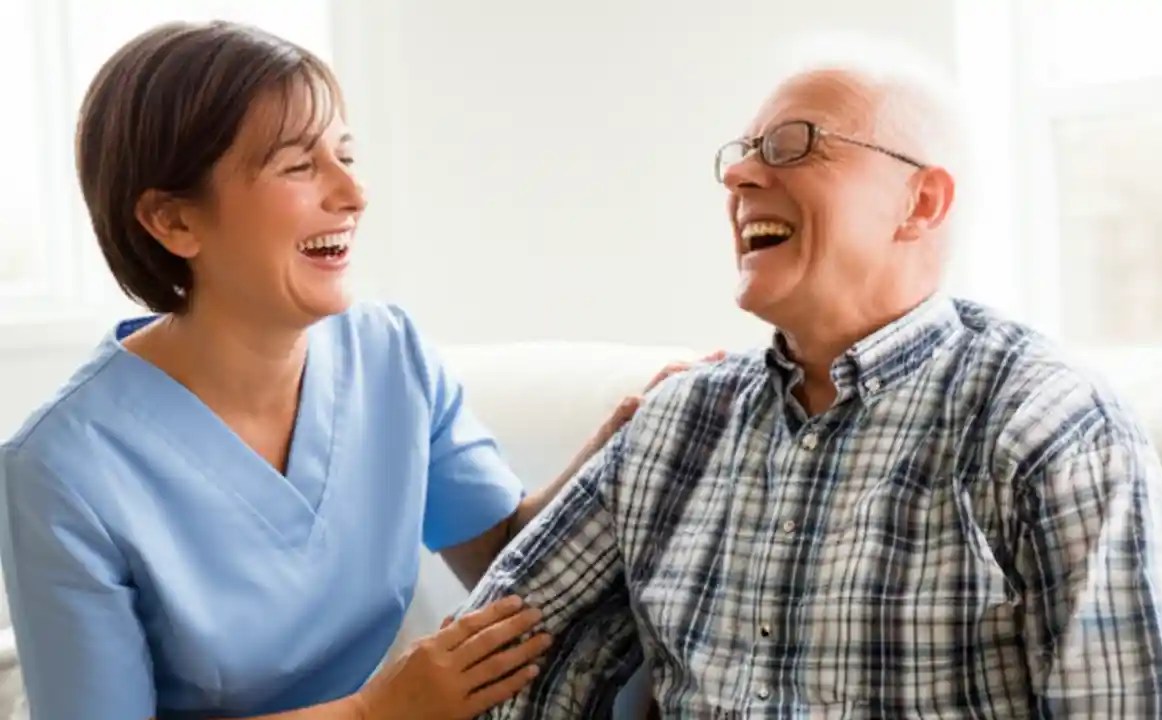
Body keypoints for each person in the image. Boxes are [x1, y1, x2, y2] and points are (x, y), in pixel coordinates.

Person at [454, 47, 1162, 717]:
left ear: (922, 202)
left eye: (792, 146)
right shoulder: (672, 425)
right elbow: (492, 665)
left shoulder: (1050, 424)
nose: (742, 176)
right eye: (741, 155)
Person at [0, 20, 700, 720]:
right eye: (299, 167)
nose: (352, 194)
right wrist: (375, 712)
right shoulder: (59, 469)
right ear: (174, 222)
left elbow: (506, 556)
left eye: (345, 155)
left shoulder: (387, 355)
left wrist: (617, 452)